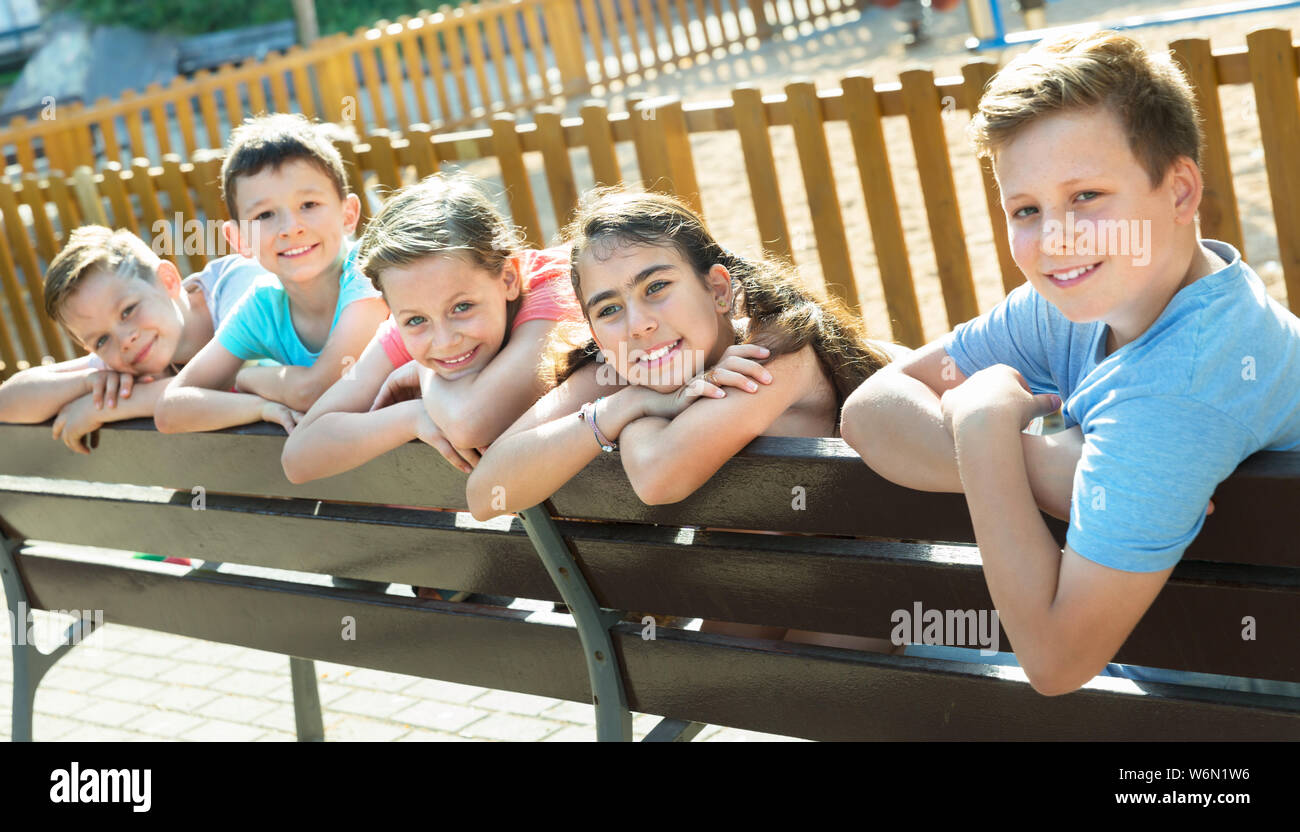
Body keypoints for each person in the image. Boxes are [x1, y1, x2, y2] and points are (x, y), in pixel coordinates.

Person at [841, 31, 1300, 696]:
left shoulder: (1183, 388)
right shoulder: (1074, 304)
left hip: (1222, 709)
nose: (1054, 238)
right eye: (1026, 209)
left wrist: (985, 430)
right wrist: (1051, 466)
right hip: (1169, 677)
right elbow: (871, 409)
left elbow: (1055, 665)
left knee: (881, 654)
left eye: (1086, 196)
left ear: (1179, 192)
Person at [467, 188, 905, 645]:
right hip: (759, 614)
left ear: (718, 289)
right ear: (595, 330)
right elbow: (486, 494)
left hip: (855, 607)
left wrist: (633, 410)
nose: (638, 324)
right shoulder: (628, 371)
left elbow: (658, 475)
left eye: (656, 287)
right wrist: (630, 402)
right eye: (609, 309)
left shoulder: (771, 353)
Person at [282, 172, 583, 484]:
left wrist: (422, 370)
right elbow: (298, 457)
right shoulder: (420, 308)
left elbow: (469, 423)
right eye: (414, 320)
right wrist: (413, 416)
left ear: (509, 279)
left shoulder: (554, 290)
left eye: (462, 307)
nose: (444, 341)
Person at [154, 113, 388, 435]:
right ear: (239, 240)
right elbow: (170, 411)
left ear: (348, 215)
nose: (291, 228)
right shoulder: (263, 303)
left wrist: (245, 378)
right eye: (265, 214)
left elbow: (317, 391)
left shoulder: (369, 274)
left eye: (309, 204)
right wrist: (261, 407)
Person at [0, 226, 264, 453]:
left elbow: (236, 384)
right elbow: (7, 402)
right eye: (101, 340)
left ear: (168, 280)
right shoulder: (129, 354)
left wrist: (108, 406)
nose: (124, 340)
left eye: (128, 310)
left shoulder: (241, 285)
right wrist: (89, 382)